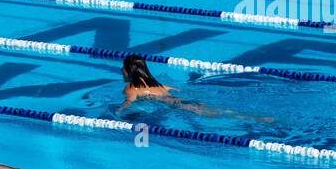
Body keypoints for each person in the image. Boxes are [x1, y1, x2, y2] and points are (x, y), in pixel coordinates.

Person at [115, 55, 275, 123]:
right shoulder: (156, 84)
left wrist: (117, 112)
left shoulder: (131, 88)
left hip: (179, 105)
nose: (121, 70)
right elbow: (176, 89)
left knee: (221, 115)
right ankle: (257, 117)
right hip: (184, 100)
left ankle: (257, 119)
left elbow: (128, 102)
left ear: (130, 70)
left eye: (123, 67)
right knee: (221, 111)